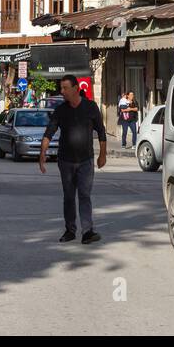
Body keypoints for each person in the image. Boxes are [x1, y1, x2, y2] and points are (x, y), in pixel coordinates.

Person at [39, 74, 107, 244]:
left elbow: (101, 131)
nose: (62, 91)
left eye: (65, 88)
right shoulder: (61, 110)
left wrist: (103, 154)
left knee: (84, 195)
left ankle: (87, 231)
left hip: (86, 160)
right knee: (69, 196)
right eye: (61, 88)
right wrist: (42, 155)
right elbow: (49, 132)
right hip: (66, 161)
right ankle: (70, 230)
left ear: (76, 88)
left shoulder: (91, 107)